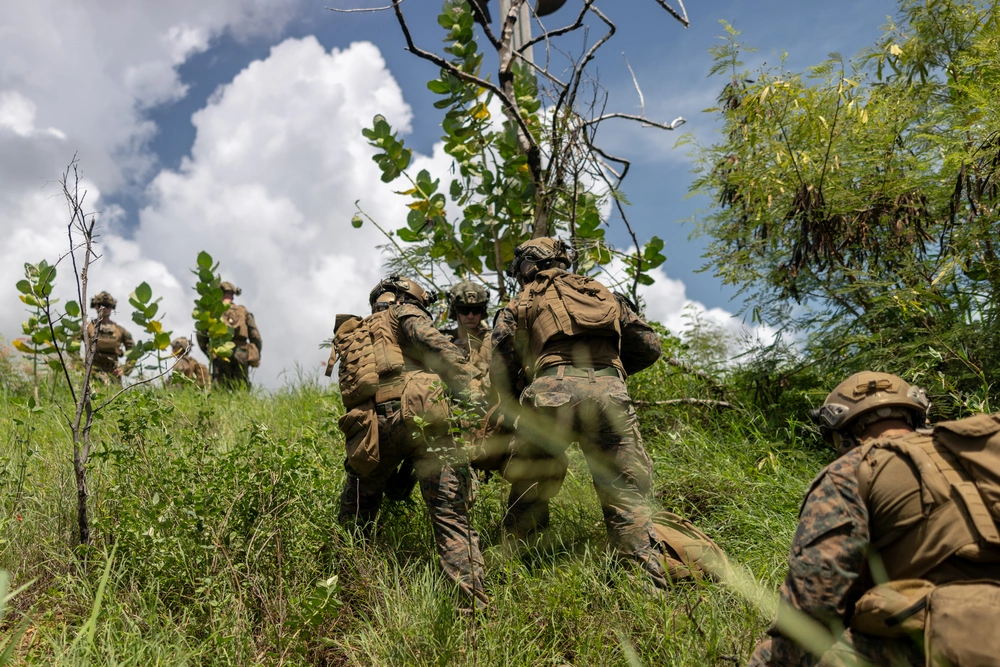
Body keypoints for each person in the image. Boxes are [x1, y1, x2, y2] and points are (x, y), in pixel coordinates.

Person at [749, 371, 1000, 667]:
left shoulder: (848, 470)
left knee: (776, 654)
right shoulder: (977, 453)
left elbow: (815, 599)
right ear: (916, 417)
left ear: (843, 434)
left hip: (955, 635)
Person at [490, 237, 671, 590]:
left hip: (549, 394)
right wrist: (609, 374)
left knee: (531, 487)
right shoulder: (604, 294)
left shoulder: (520, 302)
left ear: (526, 268)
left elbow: (500, 363)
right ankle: (646, 591)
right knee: (625, 496)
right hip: (609, 394)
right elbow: (649, 347)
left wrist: (519, 396)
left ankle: (516, 578)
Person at [333, 275, 488, 608]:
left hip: (373, 428)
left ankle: (351, 601)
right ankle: (473, 610)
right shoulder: (405, 313)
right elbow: (443, 351)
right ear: (409, 298)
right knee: (450, 518)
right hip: (423, 417)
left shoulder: (358, 330)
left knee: (355, 515)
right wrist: (474, 395)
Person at [197, 281, 262, 389]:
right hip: (241, 353)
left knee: (220, 389)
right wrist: (257, 354)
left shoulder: (213, 311)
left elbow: (201, 334)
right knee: (241, 387)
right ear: (233, 294)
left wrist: (209, 352)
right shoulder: (243, 311)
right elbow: (255, 336)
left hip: (220, 352)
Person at [85, 291, 135, 386]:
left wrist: (124, 369)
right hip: (92, 372)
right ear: (95, 306)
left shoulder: (120, 330)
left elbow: (133, 351)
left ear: (112, 307)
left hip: (113, 374)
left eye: (107, 306)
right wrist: (80, 366)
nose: (104, 308)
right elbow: (72, 345)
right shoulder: (87, 327)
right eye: (101, 305)